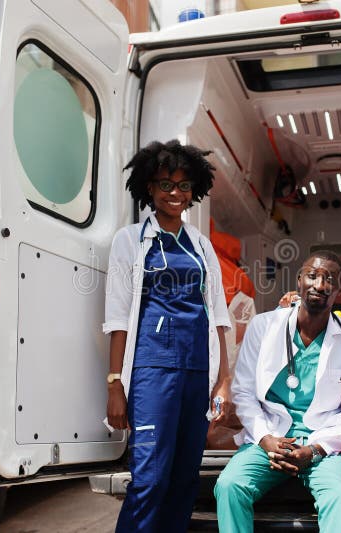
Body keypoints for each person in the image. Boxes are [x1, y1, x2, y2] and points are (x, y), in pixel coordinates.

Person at [103, 140, 233, 533]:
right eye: (165, 184)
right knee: (150, 479)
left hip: (197, 372)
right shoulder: (130, 241)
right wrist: (114, 384)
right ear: (149, 188)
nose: (175, 193)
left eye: (183, 185)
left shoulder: (202, 246)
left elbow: (219, 316)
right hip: (152, 371)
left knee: (184, 479)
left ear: (195, 189)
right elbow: (117, 317)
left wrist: (224, 380)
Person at [215, 251, 341, 533]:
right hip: (268, 438)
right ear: (299, 280)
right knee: (230, 486)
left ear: (338, 290)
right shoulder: (264, 326)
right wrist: (266, 439)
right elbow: (243, 393)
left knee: (340, 497)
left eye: (329, 280)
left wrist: (314, 449)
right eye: (312, 275)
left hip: (322, 444)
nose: (319, 284)